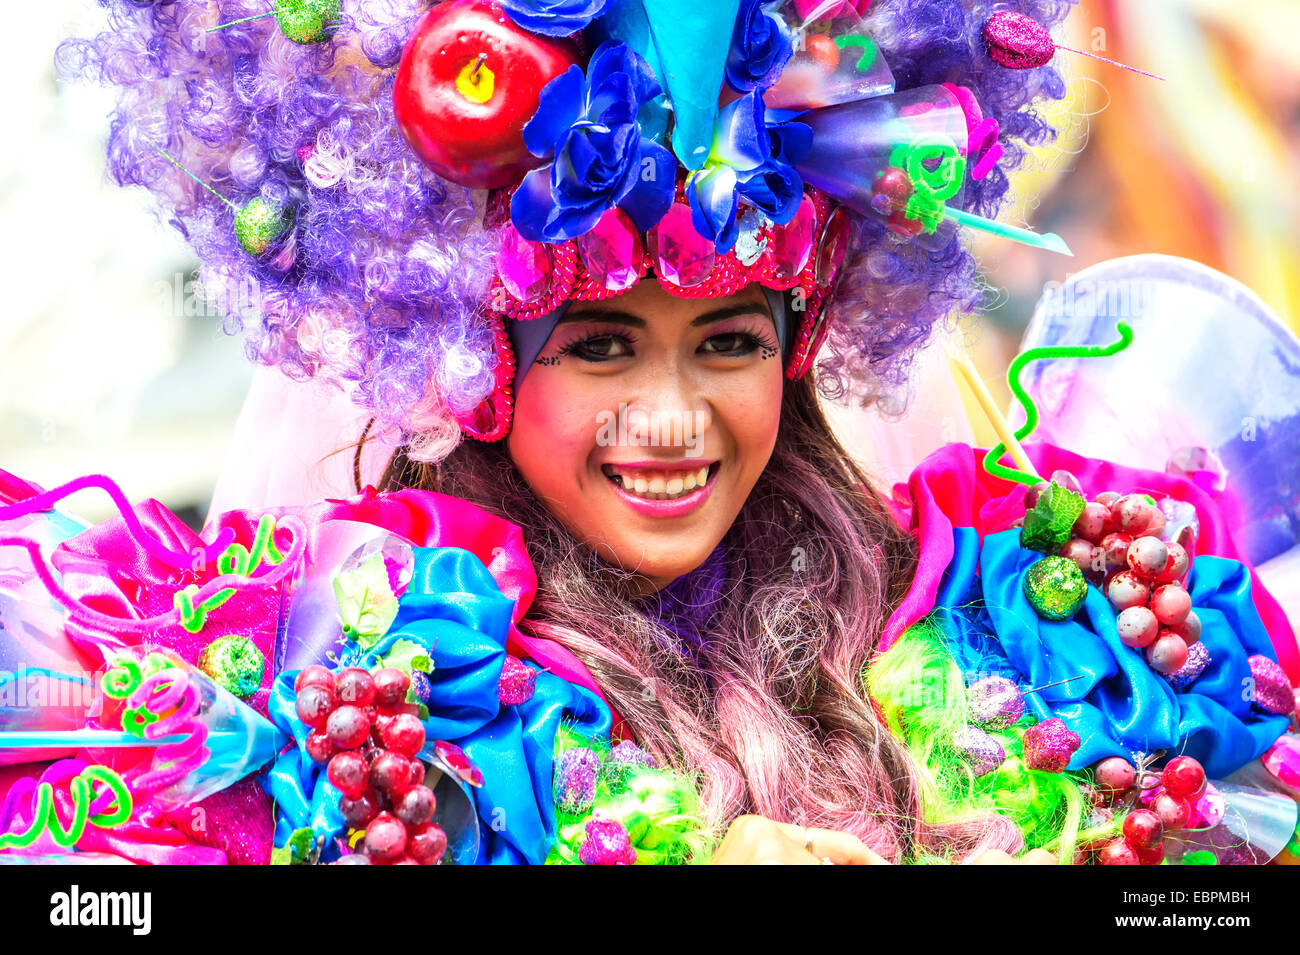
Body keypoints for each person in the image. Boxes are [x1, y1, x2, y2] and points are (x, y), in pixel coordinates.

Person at [42, 0, 1134, 865]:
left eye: (727, 344)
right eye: (601, 347)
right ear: (481, 373)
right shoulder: (361, 702)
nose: (670, 419)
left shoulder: (990, 615)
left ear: (798, 354)